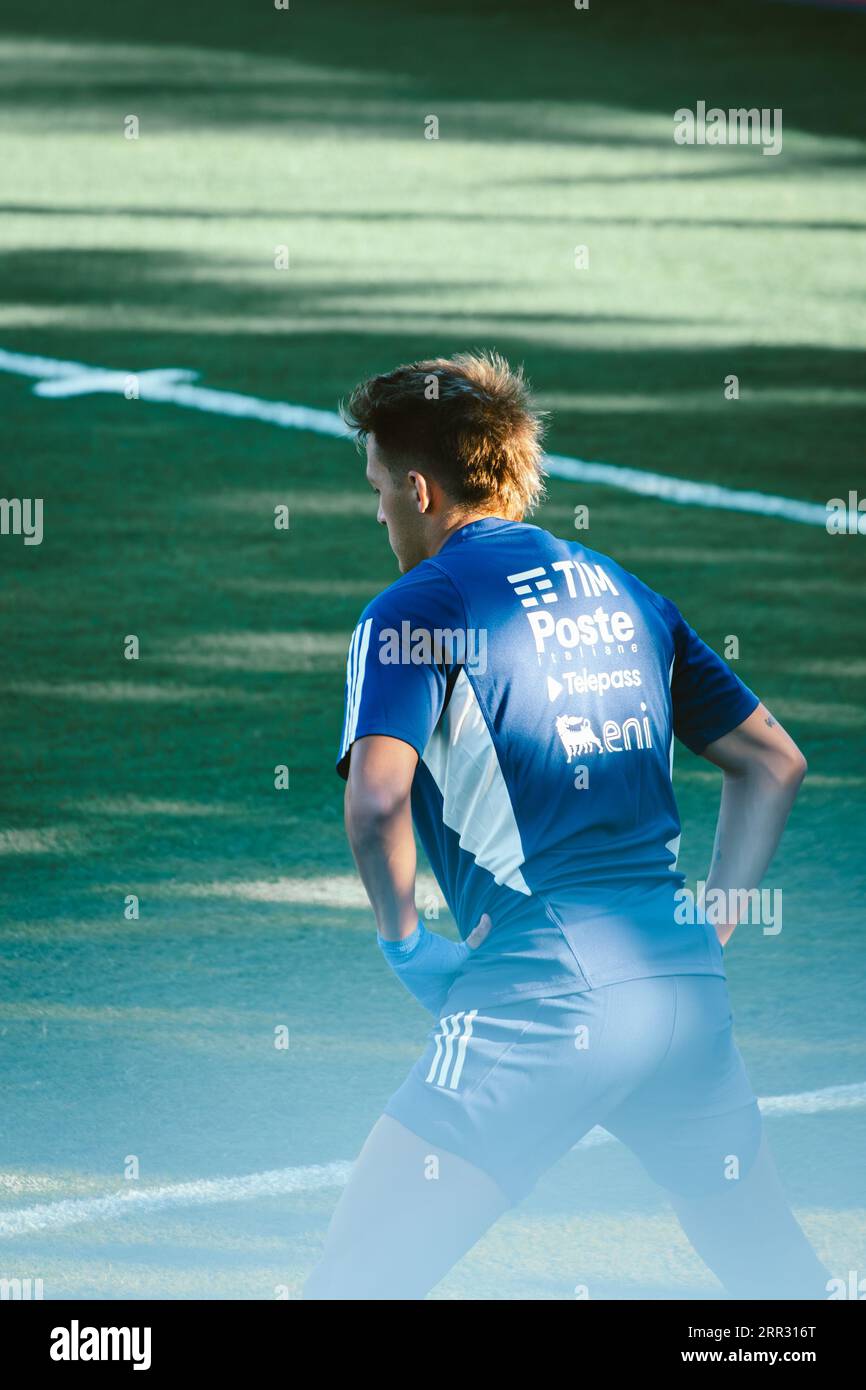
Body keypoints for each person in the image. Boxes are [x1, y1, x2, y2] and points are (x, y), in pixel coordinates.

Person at [303, 351, 830, 1301]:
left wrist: (404, 941)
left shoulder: (413, 612)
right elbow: (772, 761)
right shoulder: (625, 590)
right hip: (681, 994)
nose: (379, 511)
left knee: (356, 1283)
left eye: (378, 490)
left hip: (538, 995)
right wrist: (712, 924)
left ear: (418, 489)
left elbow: (378, 798)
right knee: (774, 1282)